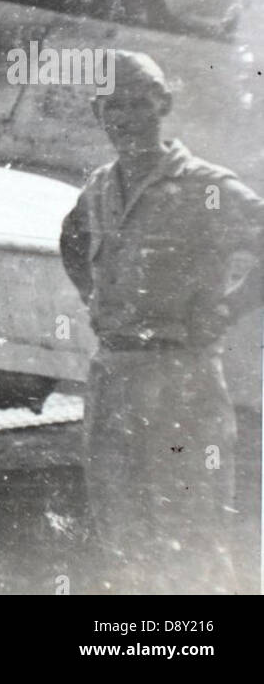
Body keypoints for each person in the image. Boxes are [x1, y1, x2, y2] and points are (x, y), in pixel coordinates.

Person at [59, 50, 263, 594]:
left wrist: (229, 309)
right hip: (115, 372)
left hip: (182, 377)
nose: (124, 118)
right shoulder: (102, 187)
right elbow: (73, 239)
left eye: (136, 103)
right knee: (119, 521)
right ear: (98, 113)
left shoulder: (206, 186)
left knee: (190, 521)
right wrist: (95, 301)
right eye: (110, 106)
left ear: (163, 105)